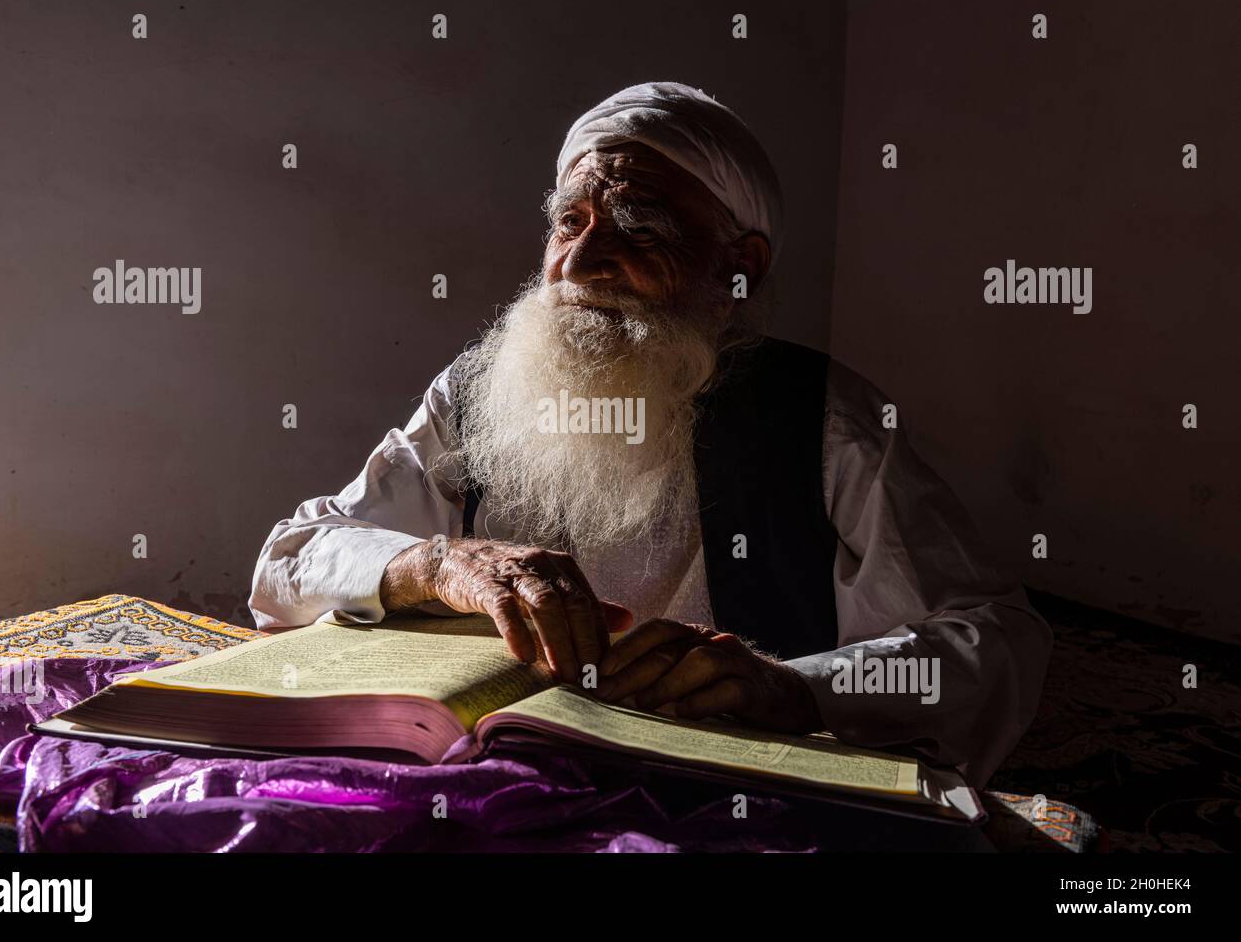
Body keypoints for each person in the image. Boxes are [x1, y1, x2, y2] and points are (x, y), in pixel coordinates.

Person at [249, 81, 1051, 787]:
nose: (584, 260)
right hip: (498, 766)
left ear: (741, 268)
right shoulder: (478, 393)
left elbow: (993, 639)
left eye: (639, 227)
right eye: (571, 222)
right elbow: (292, 557)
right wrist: (436, 562)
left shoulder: (822, 418)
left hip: (726, 785)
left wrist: (798, 687)